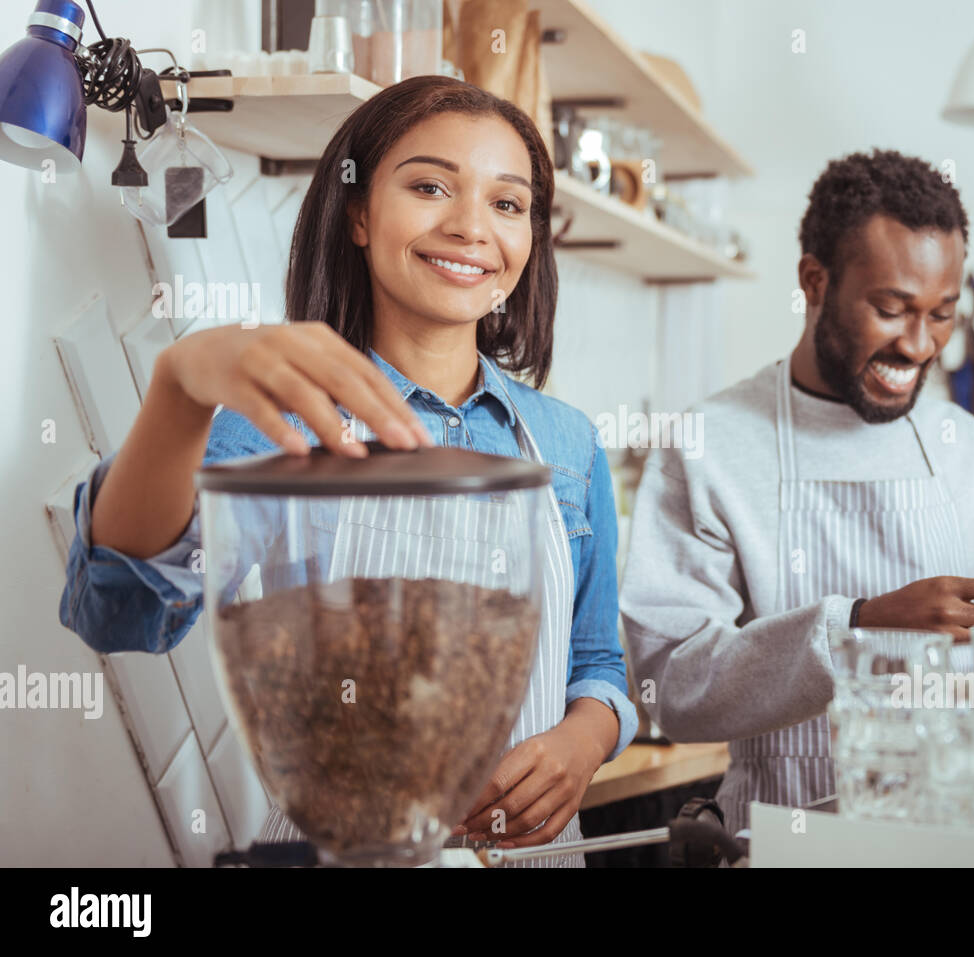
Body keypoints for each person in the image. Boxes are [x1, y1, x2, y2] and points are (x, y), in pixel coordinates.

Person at [58, 75, 636, 866]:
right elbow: (119, 609)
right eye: (430, 186)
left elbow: (598, 663)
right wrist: (180, 387)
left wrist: (583, 737)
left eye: (508, 204)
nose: (472, 226)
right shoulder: (281, 425)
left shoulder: (566, 444)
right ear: (359, 213)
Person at [619, 149, 974, 834]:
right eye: (892, 308)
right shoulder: (710, 445)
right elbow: (673, 687)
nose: (921, 345)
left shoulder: (965, 444)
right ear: (813, 281)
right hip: (784, 842)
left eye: (943, 313)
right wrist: (859, 624)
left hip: (961, 839)